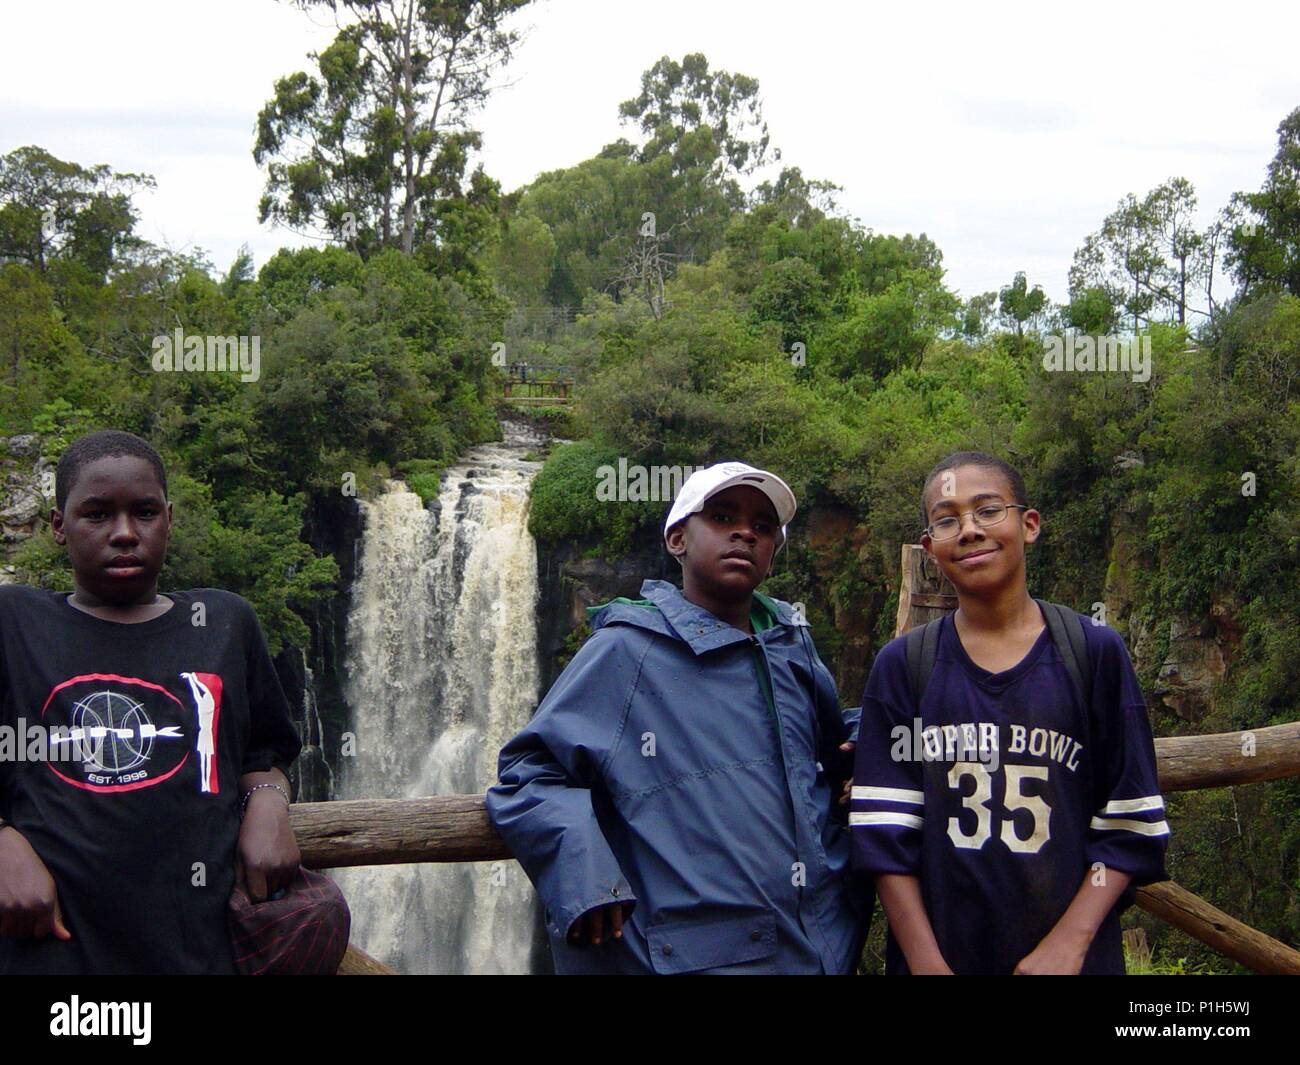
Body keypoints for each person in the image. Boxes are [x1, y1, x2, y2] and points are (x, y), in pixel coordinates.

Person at [487, 461, 869, 974]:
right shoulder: (626, 652)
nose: (744, 532)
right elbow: (528, 774)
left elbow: (827, 741)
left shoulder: (789, 642)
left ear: (773, 556)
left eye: (762, 527)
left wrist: (878, 740)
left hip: (823, 943)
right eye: (722, 516)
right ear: (677, 540)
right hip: (702, 956)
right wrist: (586, 873)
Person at [850, 450, 1169, 975]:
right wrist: (927, 963)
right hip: (942, 955)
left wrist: (1069, 945)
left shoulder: (1093, 654)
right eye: (947, 519)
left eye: (988, 510)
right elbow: (886, 835)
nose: (970, 530)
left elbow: (1130, 823)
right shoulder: (904, 667)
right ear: (930, 548)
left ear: (1029, 524)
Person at [0, 430, 302, 974]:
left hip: (198, 952)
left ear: (170, 517)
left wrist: (268, 801)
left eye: (144, 512)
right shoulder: (15, 622)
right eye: (96, 514)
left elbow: (267, 754)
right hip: (51, 957)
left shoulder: (224, 622)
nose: (123, 534)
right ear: (57, 527)